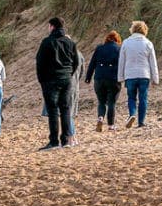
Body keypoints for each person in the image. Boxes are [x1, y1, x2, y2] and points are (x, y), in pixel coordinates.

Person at [35, 17, 81, 150]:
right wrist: (69, 74)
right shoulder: (70, 42)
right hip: (66, 78)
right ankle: (66, 139)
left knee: (53, 110)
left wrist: (42, 80)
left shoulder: (47, 42)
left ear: (52, 26)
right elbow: (76, 61)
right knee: (65, 108)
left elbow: (40, 63)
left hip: (51, 79)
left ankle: (54, 141)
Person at [118, 20, 160, 129]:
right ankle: (141, 122)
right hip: (144, 74)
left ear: (132, 30)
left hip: (130, 75)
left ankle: (132, 114)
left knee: (131, 97)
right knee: (143, 98)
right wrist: (155, 78)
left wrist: (120, 77)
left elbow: (121, 61)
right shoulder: (148, 43)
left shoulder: (126, 42)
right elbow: (153, 62)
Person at [84, 30, 123, 133]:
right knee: (111, 102)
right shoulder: (119, 49)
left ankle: (100, 118)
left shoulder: (99, 48)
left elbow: (92, 63)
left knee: (101, 102)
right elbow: (122, 65)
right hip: (113, 78)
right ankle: (110, 125)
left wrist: (88, 77)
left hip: (99, 78)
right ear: (117, 40)